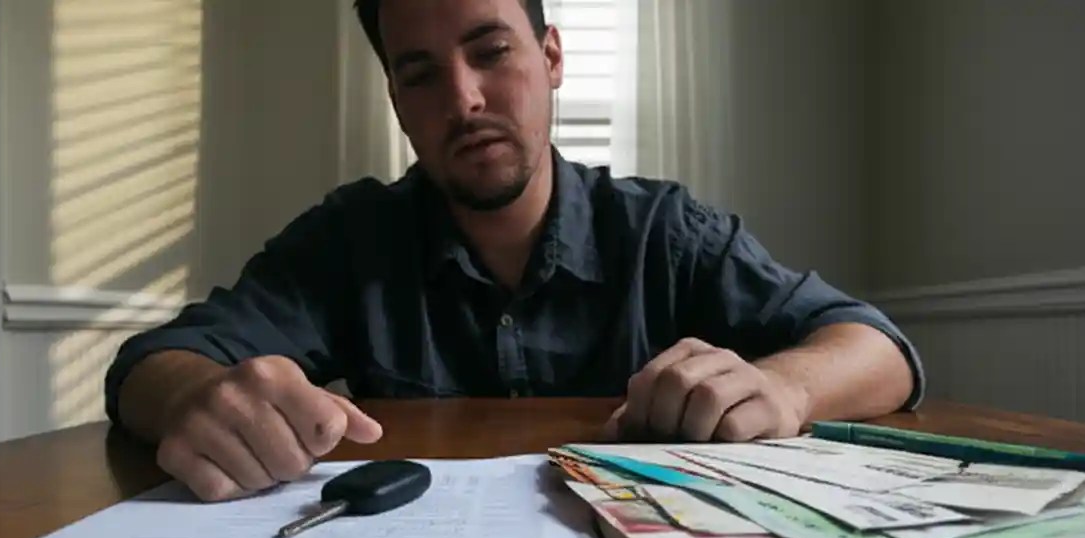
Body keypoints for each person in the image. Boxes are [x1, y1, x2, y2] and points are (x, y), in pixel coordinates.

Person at [104, 0, 925, 502]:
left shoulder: (663, 231)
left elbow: (878, 348)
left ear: (553, 57)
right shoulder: (348, 242)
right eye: (419, 73)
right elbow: (157, 359)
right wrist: (193, 399)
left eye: (491, 52)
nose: (463, 98)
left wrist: (783, 388)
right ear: (395, 97)